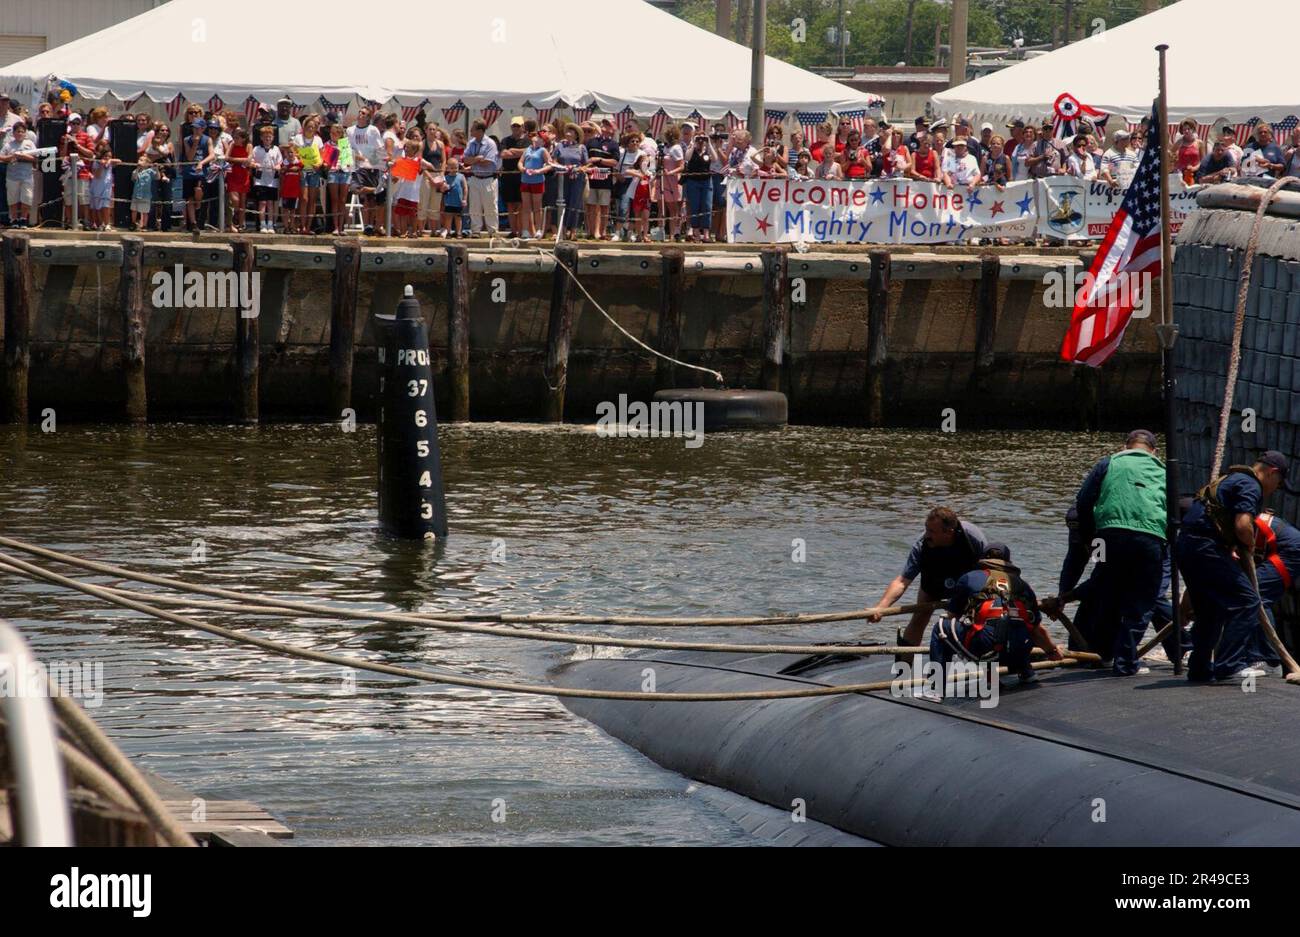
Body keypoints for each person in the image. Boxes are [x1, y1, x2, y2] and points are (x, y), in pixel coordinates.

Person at [1041, 430, 1168, 675]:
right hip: (1150, 539)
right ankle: (1125, 662)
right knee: (1142, 602)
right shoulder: (1163, 469)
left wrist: (1092, 537)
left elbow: (1083, 501)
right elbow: (1172, 511)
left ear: (1125, 447)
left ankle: (1105, 653)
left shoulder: (1109, 462)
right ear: (1154, 451)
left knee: (1104, 586)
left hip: (1108, 537)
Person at [1175, 451, 1288, 682]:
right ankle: (1229, 665)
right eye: (1278, 483)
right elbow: (1243, 524)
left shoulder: (1231, 479)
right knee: (1247, 602)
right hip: (1205, 547)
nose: (1275, 488)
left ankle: (1200, 668)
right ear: (1272, 472)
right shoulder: (1251, 484)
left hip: (1186, 546)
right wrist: (1247, 543)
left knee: (1210, 610)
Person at [928, 543, 1063, 697]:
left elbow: (952, 617)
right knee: (1021, 626)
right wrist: (1052, 652)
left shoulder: (969, 577)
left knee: (941, 628)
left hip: (988, 650)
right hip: (1016, 654)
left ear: (984, 559)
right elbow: (1038, 631)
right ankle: (1026, 672)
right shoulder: (1024, 586)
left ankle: (936, 689)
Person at [868, 506, 988, 650]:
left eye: (931, 531)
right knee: (919, 617)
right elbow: (901, 582)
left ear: (949, 533)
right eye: (926, 529)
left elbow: (990, 572)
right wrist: (880, 609)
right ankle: (904, 668)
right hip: (934, 582)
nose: (926, 535)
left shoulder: (972, 538)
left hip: (965, 584)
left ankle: (977, 661)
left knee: (966, 619)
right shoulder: (921, 546)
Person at [1247, 510, 1299, 673]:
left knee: (1257, 597)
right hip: (1285, 548)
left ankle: (1267, 659)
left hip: (1290, 551)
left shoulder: (1233, 520)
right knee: (1252, 596)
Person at [347, 107, 384, 235]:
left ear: (368, 117)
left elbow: (379, 148)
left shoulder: (373, 130)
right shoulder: (350, 130)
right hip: (357, 166)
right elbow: (347, 148)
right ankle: (376, 190)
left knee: (371, 199)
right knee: (357, 189)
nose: (360, 114)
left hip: (371, 165)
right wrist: (355, 158)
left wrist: (380, 164)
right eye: (360, 112)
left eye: (364, 113)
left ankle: (369, 224)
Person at [584, 120, 618, 240]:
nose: (604, 127)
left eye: (608, 125)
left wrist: (598, 160)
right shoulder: (591, 142)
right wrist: (589, 165)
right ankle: (592, 231)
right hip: (592, 179)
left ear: (612, 129)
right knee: (591, 206)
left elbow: (614, 162)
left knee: (604, 207)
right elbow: (585, 159)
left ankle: (602, 232)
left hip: (605, 180)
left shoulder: (613, 144)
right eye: (603, 124)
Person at [0, 118, 37, 228]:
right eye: (18, 131)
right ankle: (14, 219)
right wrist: (12, 156)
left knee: (26, 198)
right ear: (14, 133)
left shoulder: (29, 144)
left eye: (22, 131)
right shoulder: (9, 145)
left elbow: (35, 158)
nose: (20, 133)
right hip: (12, 176)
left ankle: (23, 219)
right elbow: (1, 156)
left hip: (27, 176)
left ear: (25, 133)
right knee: (13, 198)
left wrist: (23, 156)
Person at [498, 116, 527, 237]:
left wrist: (513, 150)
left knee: (520, 204)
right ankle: (513, 230)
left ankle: (521, 230)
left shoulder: (528, 141)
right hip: (508, 176)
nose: (516, 128)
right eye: (514, 126)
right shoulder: (505, 140)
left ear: (523, 127)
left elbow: (527, 152)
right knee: (510, 204)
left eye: (518, 126)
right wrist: (519, 152)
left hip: (521, 175)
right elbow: (503, 154)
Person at [250, 124, 282, 234]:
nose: (267, 139)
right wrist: (255, 164)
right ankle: (262, 224)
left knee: (270, 203)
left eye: (269, 137)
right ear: (261, 138)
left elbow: (280, 163)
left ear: (273, 138)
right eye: (265, 137)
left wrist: (278, 166)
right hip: (260, 179)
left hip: (272, 180)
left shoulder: (276, 149)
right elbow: (251, 161)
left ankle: (270, 224)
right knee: (262, 203)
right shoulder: (256, 149)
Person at [225, 128, 251, 232]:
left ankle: (241, 224)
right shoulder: (232, 145)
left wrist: (235, 160)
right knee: (235, 200)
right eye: (234, 137)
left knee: (242, 202)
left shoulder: (248, 146)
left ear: (243, 139)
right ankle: (233, 218)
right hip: (233, 174)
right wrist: (241, 160)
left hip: (244, 175)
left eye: (237, 138)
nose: (234, 139)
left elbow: (249, 159)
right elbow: (227, 157)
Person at [660, 124, 683, 240]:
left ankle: (676, 233)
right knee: (670, 209)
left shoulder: (676, 148)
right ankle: (671, 233)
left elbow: (681, 166)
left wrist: (670, 172)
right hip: (666, 180)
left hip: (674, 180)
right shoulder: (666, 148)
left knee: (676, 209)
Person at [130, 154, 158, 231]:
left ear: (147, 164)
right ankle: (133, 223)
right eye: (139, 160)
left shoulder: (150, 171)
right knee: (134, 210)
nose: (139, 161)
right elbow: (134, 178)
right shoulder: (135, 171)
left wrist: (156, 169)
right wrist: (137, 169)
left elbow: (157, 177)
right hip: (136, 194)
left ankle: (144, 225)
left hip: (146, 194)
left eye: (142, 160)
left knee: (145, 211)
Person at [439, 158, 466, 237]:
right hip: (449, 202)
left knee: (458, 218)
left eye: (456, 168)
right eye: (452, 168)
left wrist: (464, 199)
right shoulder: (445, 178)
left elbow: (465, 188)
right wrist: (444, 188)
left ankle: (458, 233)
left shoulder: (461, 176)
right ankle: (448, 232)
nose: (454, 170)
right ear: (448, 168)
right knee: (448, 218)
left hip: (458, 202)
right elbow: (441, 189)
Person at [1174, 119, 1205, 185]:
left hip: (1196, 174)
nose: (1186, 131)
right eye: (1184, 129)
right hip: (1181, 174)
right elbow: (1170, 155)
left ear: (1193, 129)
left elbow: (1203, 161)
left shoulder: (1199, 143)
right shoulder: (1179, 142)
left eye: (1188, 129)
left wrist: (1194, 168)